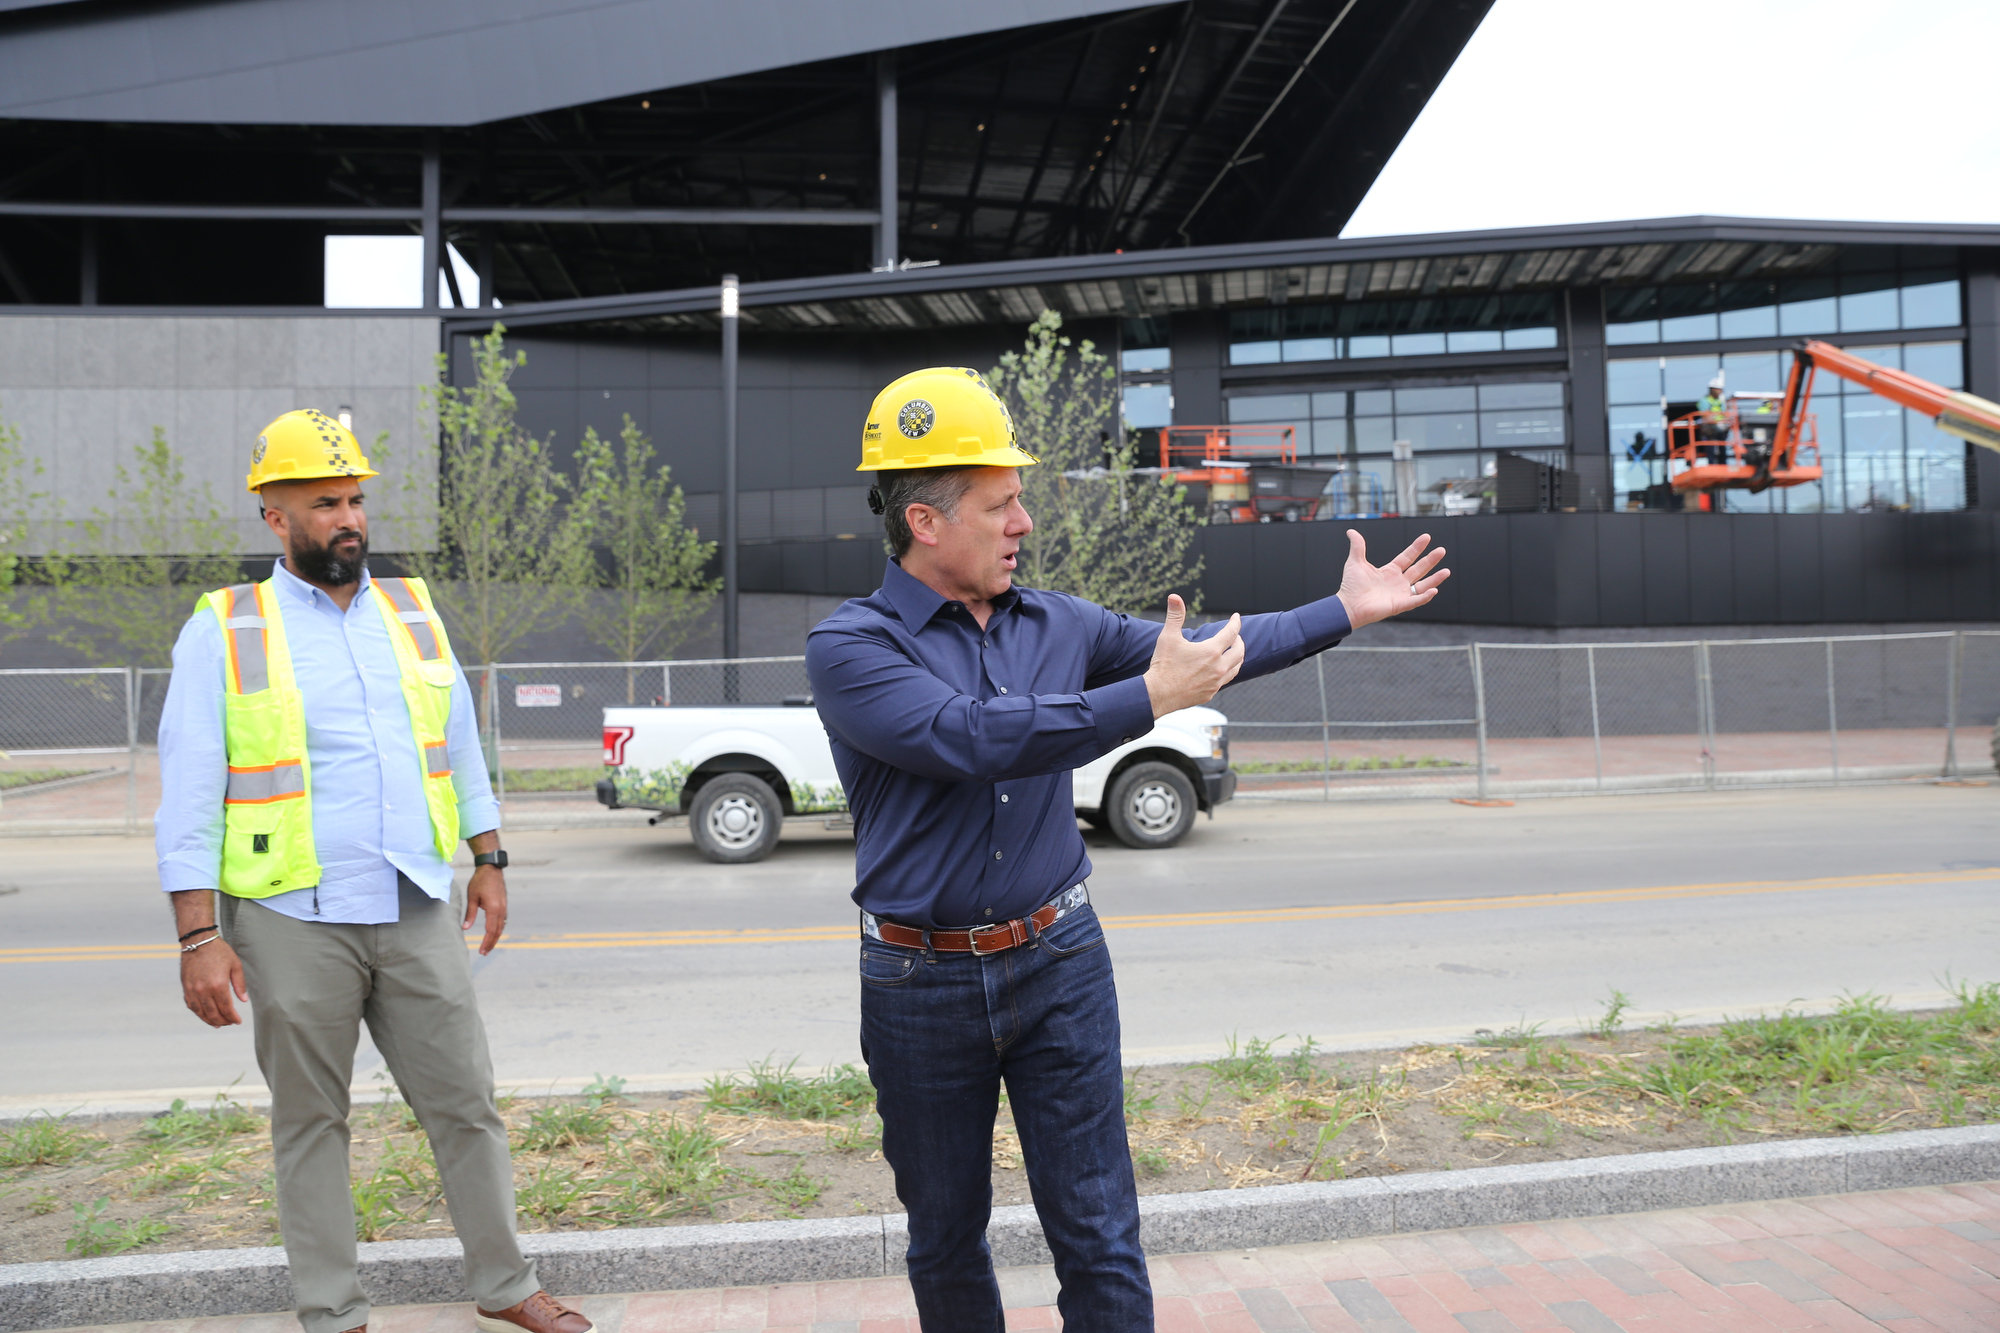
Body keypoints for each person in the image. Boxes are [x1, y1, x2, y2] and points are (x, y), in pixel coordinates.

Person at [804, 368, 1449, 1331]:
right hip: (917, 983)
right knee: (944, 1238)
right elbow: (975, 736)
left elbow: (1214, 647)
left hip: (1060, 959)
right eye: (1001, 503)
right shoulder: (852, 647)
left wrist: (1340, 612)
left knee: (1101, 1232)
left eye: (1020, 499)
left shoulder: (1061, 622)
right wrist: (1149, 698)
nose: (1023, 521)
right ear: (927, 522)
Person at [157, 410, 591, 1333]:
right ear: (274, 515)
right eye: (325, 503)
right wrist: (199, 934)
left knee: (467, 1104)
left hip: (414, 901)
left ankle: (506, 1285)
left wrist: (489, 857)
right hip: (287, 916)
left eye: (355, 499)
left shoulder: (410, 610)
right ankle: (332, 1309)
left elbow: (458, 744)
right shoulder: (227, 627)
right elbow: (188, 791)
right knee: (311, 1121)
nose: (348, 518)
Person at [1696, 374, 1731, 467]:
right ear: (1712, 389)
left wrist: (1724, 421)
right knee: (1710, 445)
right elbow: (1705, 415)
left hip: (1719, 427)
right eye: (1718, 389)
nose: (1720, 391)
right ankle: (1711, 464)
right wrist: (1715, 420)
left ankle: (1723, 464)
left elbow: (1725, 414)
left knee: (1722, 444)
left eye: (1720, 389)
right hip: (1710, 427)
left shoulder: (1720, 402)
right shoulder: (1705, 401)